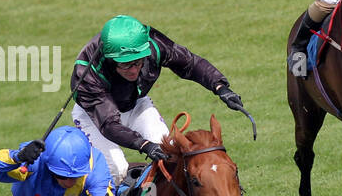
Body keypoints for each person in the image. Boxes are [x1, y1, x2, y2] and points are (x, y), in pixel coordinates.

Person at [70, 14, 245, 185]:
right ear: (110, 59)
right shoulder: (86, 73)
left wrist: (220, 87)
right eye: (125, 64)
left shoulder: (154, 44)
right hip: (95, 118)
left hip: (135, 104)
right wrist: (144, 144)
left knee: (170, 157)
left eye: (138, 62)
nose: (134, 70)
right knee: (116, 170)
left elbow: (190, 63)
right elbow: (109, 124)